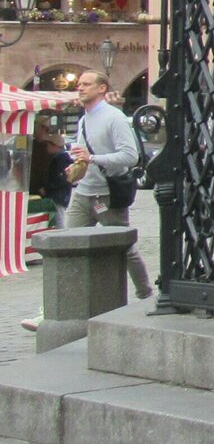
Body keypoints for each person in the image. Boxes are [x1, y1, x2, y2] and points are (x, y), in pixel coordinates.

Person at [63, 69, 148, 297]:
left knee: (124, 247)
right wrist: (76, 166)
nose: (80, 88)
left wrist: (92, 158)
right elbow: (84, 156)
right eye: (79, 84)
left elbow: (130, 157)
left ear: (102, 88)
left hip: (108, 194)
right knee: (68, 244)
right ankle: (68, 300)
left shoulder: (114, 118)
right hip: (84, 193)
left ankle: (145, 294)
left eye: (86, 84)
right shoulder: (84, 119)